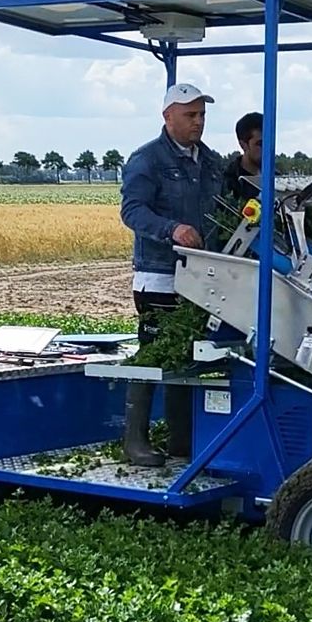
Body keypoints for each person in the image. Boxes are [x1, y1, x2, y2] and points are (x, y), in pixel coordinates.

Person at [118, 82, 226, 466]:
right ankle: (135, 441)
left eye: (201, 116)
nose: (198, 123)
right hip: (160, 275)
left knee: (187, 354)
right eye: (190, 115)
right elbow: (132, 211)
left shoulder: (209, 161)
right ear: (167, 117)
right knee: (155, 352)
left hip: (202, 275)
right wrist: (172, 229)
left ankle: (182, 440)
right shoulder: (147, 160)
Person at [223, 111, 264, 202]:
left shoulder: (277, 179)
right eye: (260, 144)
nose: (267, 149)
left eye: (270, 142)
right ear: (243, 145)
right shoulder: (228, 183)